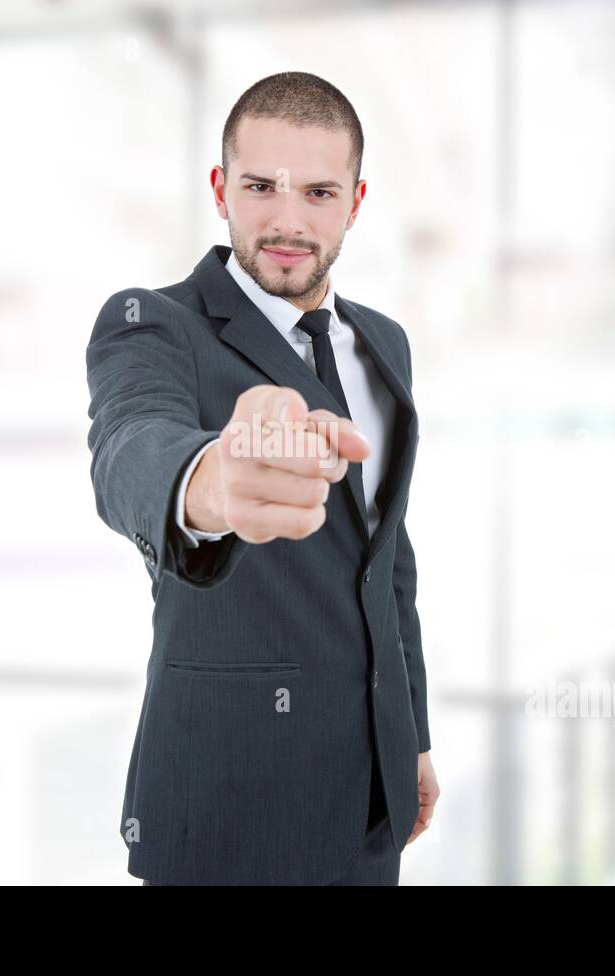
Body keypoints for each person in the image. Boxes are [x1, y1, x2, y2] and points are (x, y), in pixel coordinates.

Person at [85, 71, 439, 885]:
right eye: (260, 187)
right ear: (220, 189)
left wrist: (410, 733)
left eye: (319, 192)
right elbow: (131, 445)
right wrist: (207, 482)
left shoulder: (384, 342)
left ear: (355, 202)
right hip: (226, 810)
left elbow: (390, 562)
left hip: (371, 809)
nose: (288, 220)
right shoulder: (152, 324)